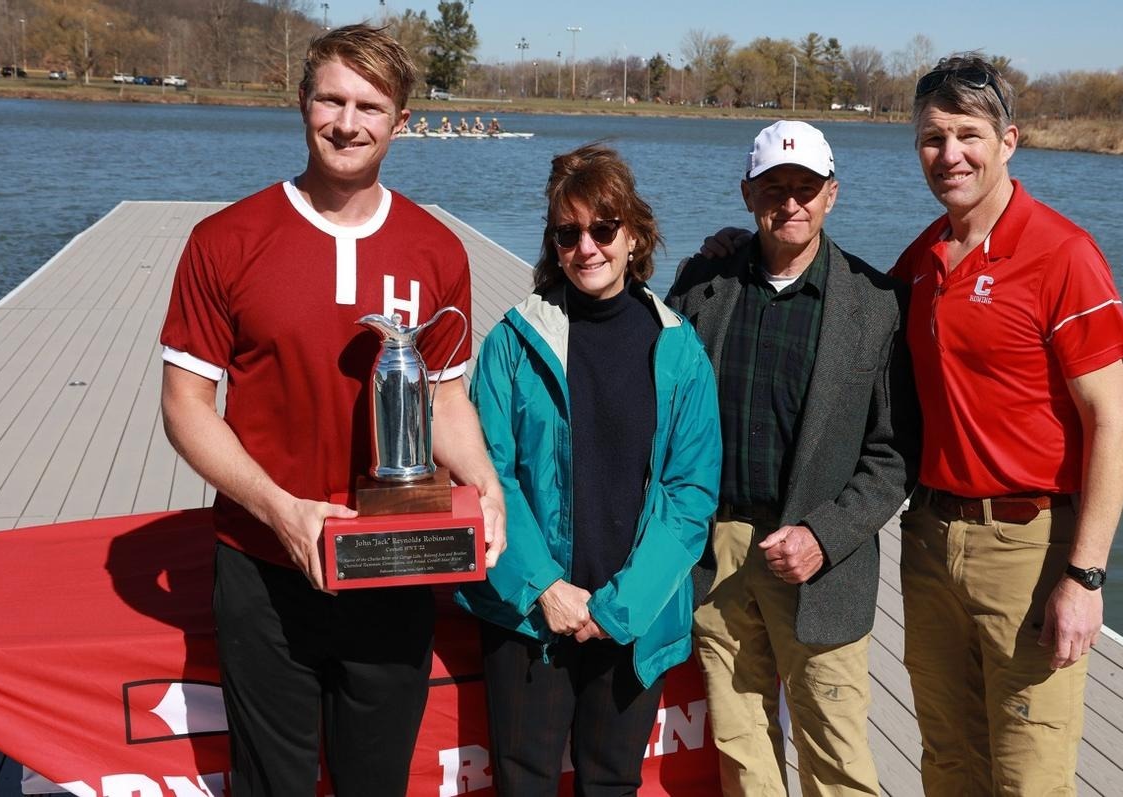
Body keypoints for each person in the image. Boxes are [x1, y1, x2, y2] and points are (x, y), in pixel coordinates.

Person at [158, 24, 506, 796]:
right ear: (302, 102)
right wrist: (280, 510)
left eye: (370, 107)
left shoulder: (436, 248)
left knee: (375, 782)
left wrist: (485, 482)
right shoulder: (225, 239)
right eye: (332, 100)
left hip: (394, 560)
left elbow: (446, 396)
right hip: (263, 561)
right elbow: (186, 406)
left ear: (401, 121)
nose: (348, 123)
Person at [894, 53, 1123, 795]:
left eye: (969, 135)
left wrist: (1085, 577)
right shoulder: (921, 259)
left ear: (1008, 141)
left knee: (1028, 774)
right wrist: (737, 250)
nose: (950, 155)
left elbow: (1113, 422)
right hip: (929, 536)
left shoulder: (1062, 253)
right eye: (933, 138)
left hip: (1028, 549)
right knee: (947, 759)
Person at [458, 143, 721, 794]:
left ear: (634, 235)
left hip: (632, 615)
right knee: (523, 781)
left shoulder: (680, 350)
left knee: (610, 782)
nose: (587, 248)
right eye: (567, 233)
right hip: (529, 614)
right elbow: (487, 473)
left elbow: (690, 494)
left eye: (603, 229)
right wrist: (545, 586)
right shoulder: (512, 342)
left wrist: (618, 607)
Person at [667, 120, 918, 797]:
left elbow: (894, 454)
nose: (791, 203)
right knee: (740, 742)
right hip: (718, 551)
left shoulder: (879, 304)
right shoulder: (701, 285)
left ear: (832, 194)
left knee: (835, 752)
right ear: (747, 194)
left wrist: (823, 535)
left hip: (819, 562)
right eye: (774, 187)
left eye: (806, 187)